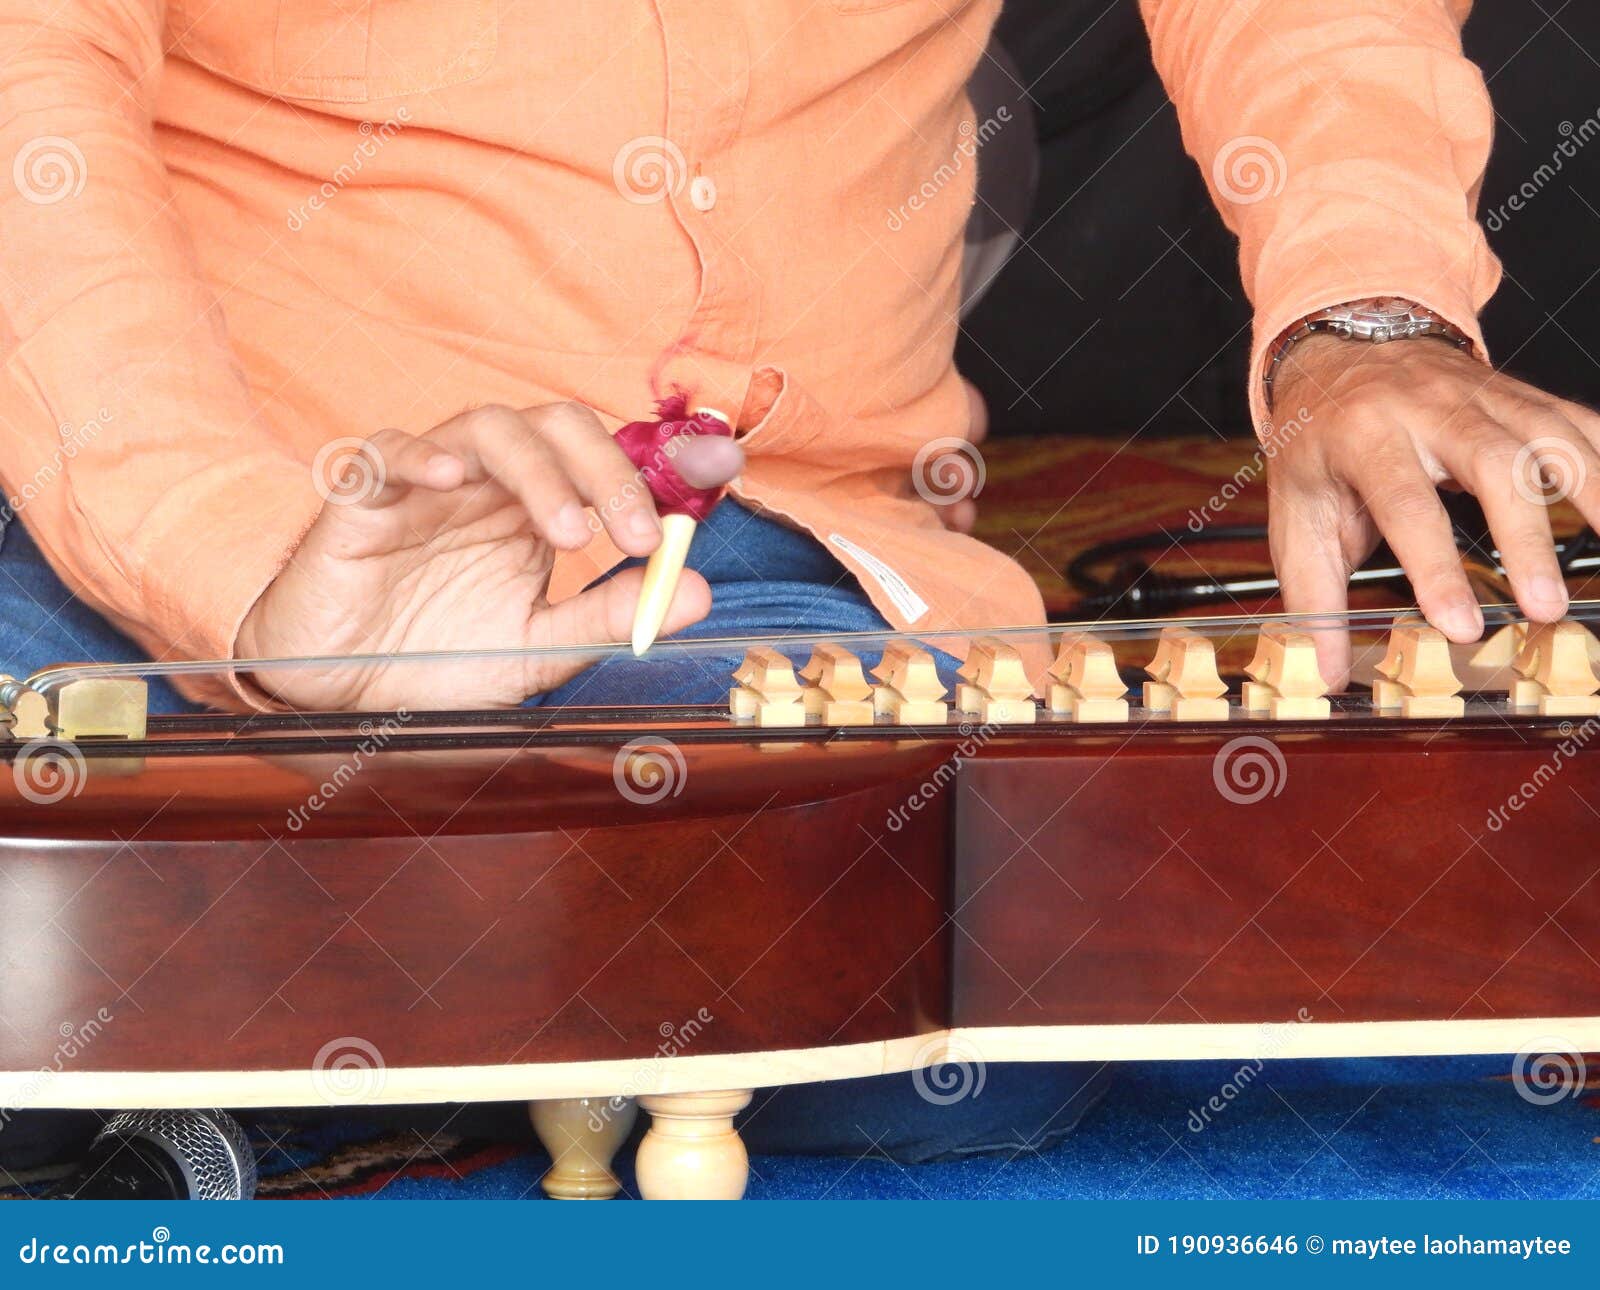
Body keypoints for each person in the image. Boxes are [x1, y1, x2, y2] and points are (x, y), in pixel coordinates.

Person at [0, 0, 1591, 1168]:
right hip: (177, 514)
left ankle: (264, 1061)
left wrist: (1359, 323)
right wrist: (244, 562)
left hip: (740, 582)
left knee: (893, 922)